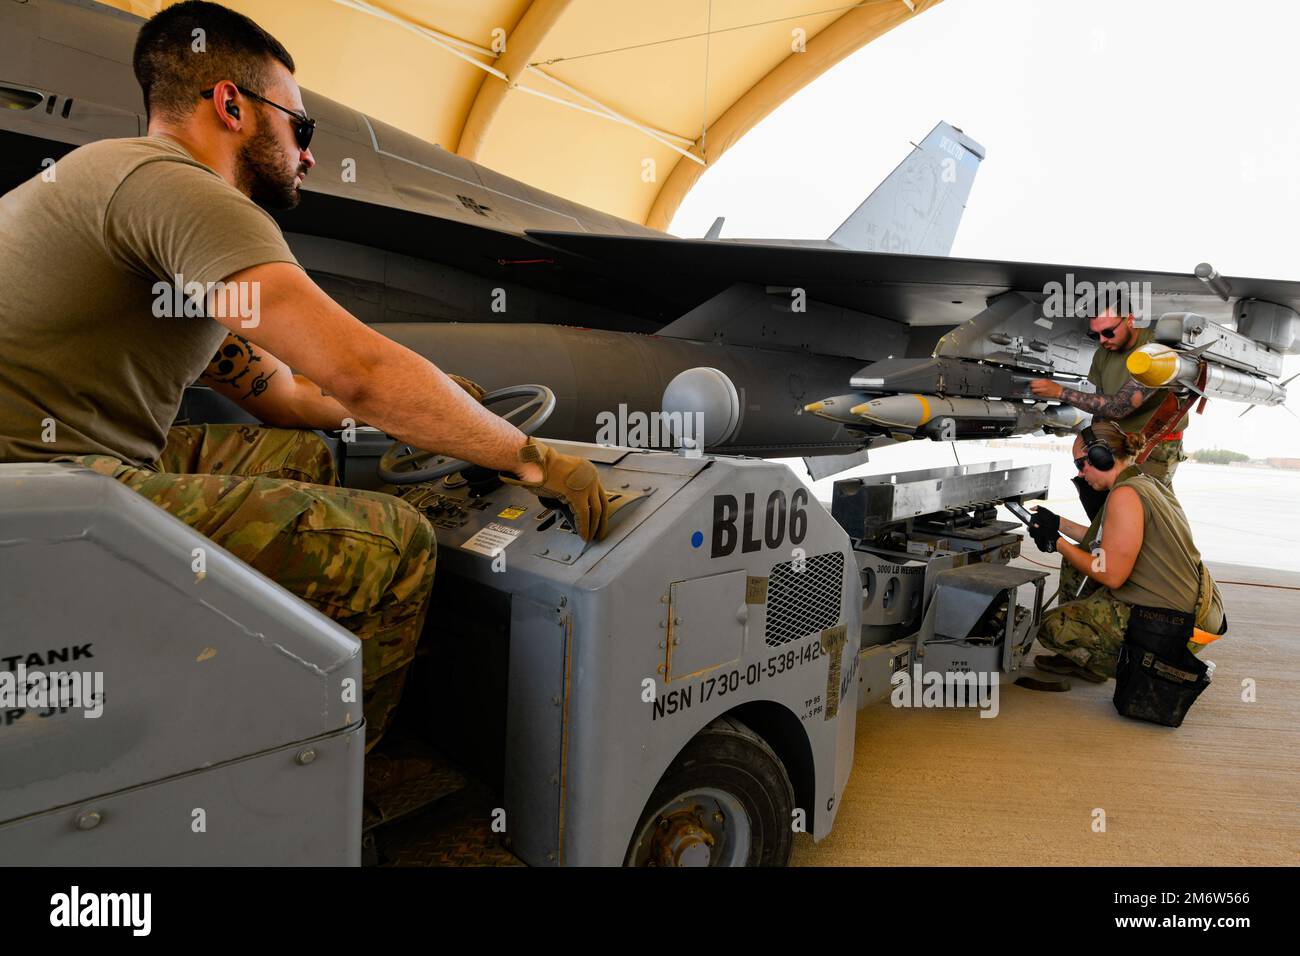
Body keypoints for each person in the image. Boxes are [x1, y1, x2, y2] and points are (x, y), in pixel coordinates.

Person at [0, 1, 610, 762]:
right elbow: (358, 375)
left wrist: (442, 407)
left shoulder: (113, 181)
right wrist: (533, 460)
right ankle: (326, 784)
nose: (309, 156)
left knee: (312, 460)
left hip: (43, 475)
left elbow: (291, 398)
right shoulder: (181, 190)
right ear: (230, 104)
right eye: (301, 128)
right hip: (37, 498)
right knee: (397, 544)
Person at [1025, 422, 1225, 685]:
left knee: (1051, 628)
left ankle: (1139, 664)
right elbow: (1107, 541)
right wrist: (1058, 524)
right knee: (1077, 560)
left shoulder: (1125, 495)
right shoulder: (1142, 481)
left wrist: (1056, 542)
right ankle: (1088, 657)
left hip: (1174, 625)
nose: (1081, 474)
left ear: (1101, 457)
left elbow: (1111, 575)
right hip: (1197, 611)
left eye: (1081, 465)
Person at [1030, 300, 1190, 512]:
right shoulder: (1102, 354)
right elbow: (1101, 407)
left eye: (1108, 332)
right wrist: (1091, 446)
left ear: (1130, 320)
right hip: (1118, 446)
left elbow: (1120, 406)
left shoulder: (1155, 352)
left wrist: (1060, 392)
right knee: (1103, 506)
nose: (1103, 340)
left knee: (1145, 512)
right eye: (1095, 335)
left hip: (1154, 447)